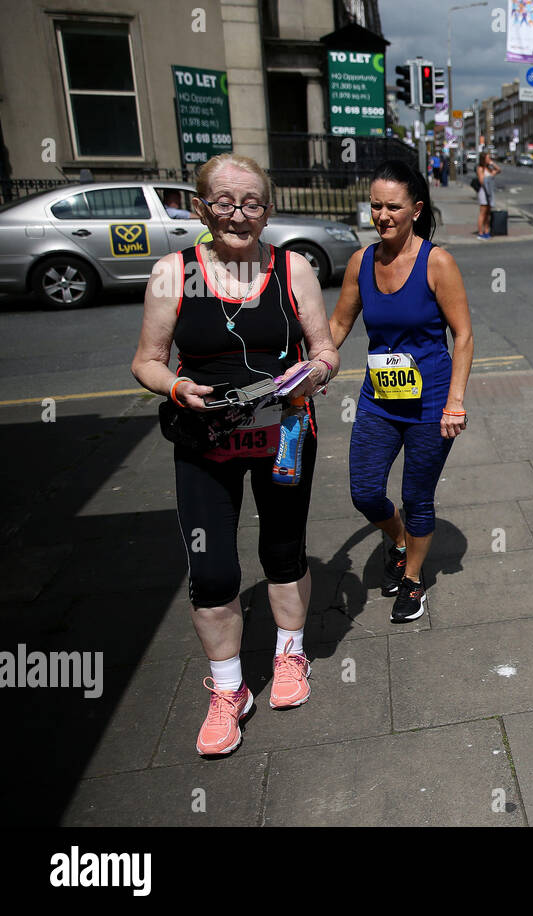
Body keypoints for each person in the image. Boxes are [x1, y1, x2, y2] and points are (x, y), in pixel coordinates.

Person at [131, 153, 340, 757]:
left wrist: (315, 373)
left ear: (267, 211)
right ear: (201, 208)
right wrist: (174, 386)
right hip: (205, 442)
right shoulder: (174, 274)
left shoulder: (292, 268)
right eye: (223, 202)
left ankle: (290, 656)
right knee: (213, 569)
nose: (237, 215)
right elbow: (146, 359)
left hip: (283, 436)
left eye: (251, 203)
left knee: (282, 553)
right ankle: (229, 691)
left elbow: (325, 349)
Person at [329, 160, 473, 622]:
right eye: (375, 206)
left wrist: (455, 402)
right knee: (365, 491)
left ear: (416, 209)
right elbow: (338, 324)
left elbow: (464, 337)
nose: (382, 215)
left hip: (431, 402)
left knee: (417, 496)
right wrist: (311, 367)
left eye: (393, 207)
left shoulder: (438, 262)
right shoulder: (361, 262)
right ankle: (397, 538)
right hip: (379, 398)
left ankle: (412, 580)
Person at [475, 151, 501, 240]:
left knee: (488, 213)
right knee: (483, 212)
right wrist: (490, 176)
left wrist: (492, 163)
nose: (489, 159)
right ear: (483, 159)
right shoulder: (480, 168)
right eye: (488, 158)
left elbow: (499, 170)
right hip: (483, 192)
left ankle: (486, 231)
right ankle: (480, 232)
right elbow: (482, 181)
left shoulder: (489, 168)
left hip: (490, 192)